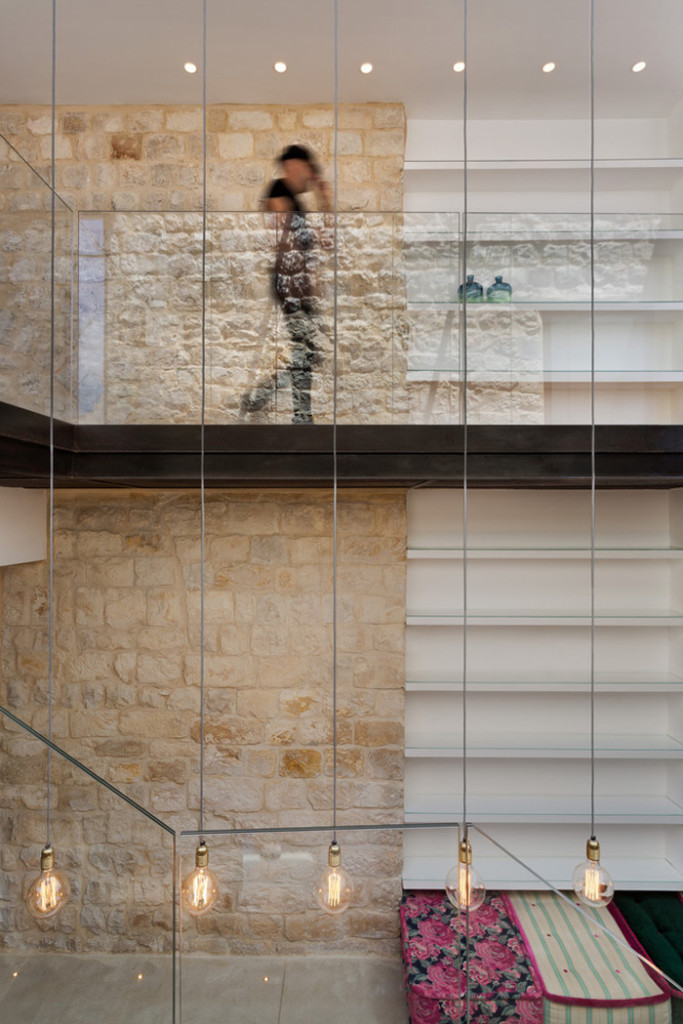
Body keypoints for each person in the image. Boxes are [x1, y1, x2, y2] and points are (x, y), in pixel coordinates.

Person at [241, 144, 332, 424]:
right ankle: (301, 417)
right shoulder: (278, 192)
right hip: (289, 285)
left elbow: (326, 242)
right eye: (302, 168)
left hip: (301, 287)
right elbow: (283, 240)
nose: (306, 175)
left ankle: (265, 396)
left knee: (312, 352)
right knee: (306, 351)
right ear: (295, 167)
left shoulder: (297, 200)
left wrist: (324, 198)